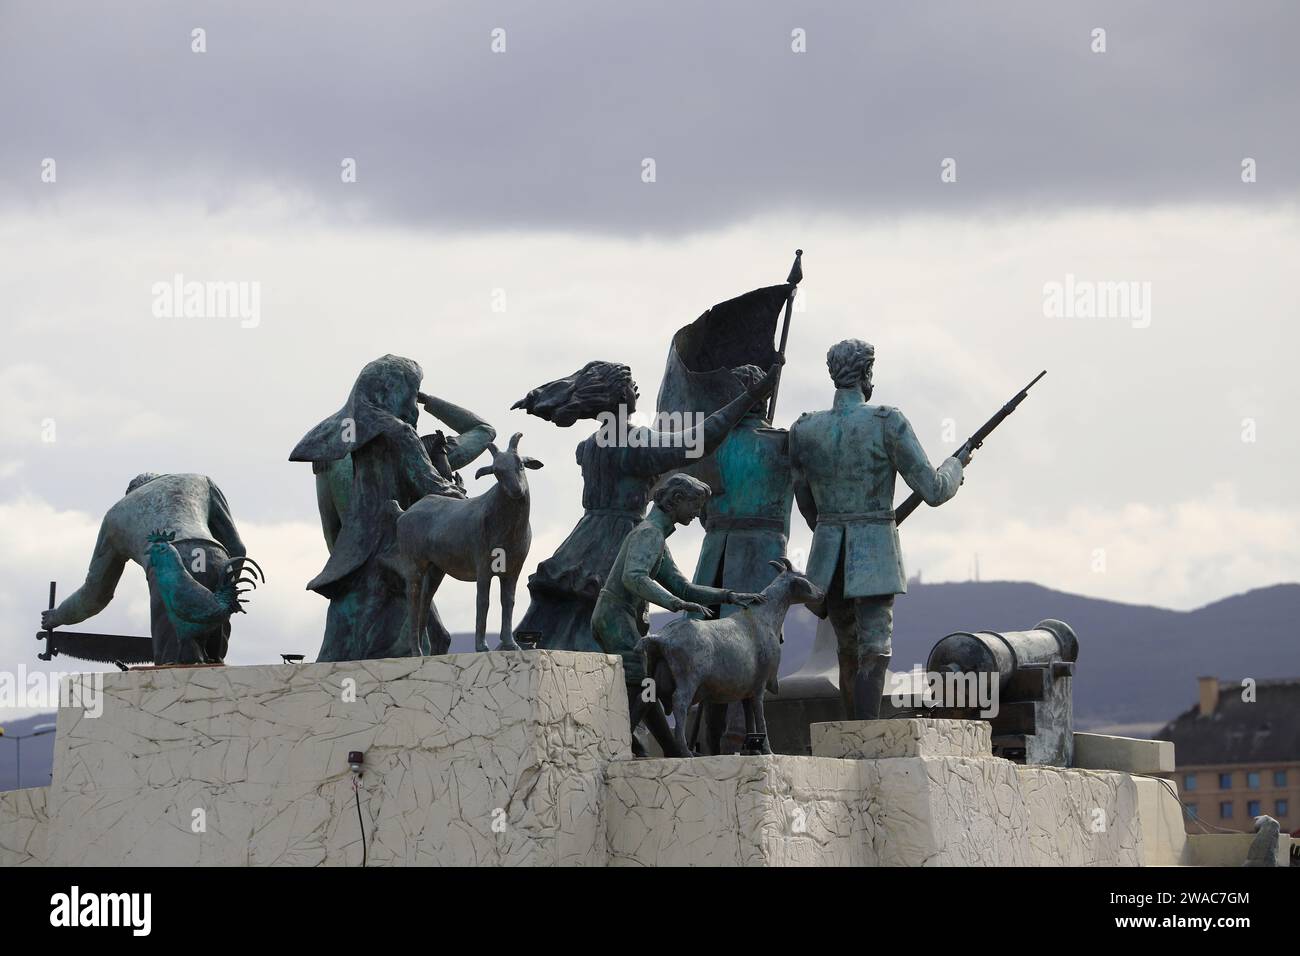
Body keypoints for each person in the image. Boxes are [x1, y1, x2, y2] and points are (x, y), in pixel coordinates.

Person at [512, 358, 781, 654]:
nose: (636, 392)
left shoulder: (589, 445)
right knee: (613, 639)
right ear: (619, 396)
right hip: (620, 538)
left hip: (583, 538)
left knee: (565, 627)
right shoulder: (634, 441)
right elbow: (698, 441)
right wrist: (750, 398)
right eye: (631, 387)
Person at [789, 339, 967, 720]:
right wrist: (956, 465)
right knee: (875, 647)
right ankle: (866, 734)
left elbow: (805, 502)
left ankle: (851, 731)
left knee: (846, 648)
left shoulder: (804, 429)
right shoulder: (887, 422)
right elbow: (934, 490)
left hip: (827, 559)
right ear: (867, 374)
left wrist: (830, 530)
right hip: (873, 555)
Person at [290, 355, 475, 660]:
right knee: (422, 639)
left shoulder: (360, 433)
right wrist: (462, 497)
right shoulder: (401, 434)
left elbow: (331, 525)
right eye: (413, 396)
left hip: (357, 553)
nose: (415, 408)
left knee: (345, 640)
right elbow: (431, 485)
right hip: (395, 548)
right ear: (395, 394)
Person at [593, 473, 764, 756]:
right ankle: (621, 742)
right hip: (614, 616)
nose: (698, 513)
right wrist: (674, 603)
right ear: (676, 500)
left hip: (620, 616)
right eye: (695, 505)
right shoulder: (648, 533)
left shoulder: (657, 536)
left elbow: (683, 586)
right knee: (644, 681)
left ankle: (668, 749)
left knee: (647, 684)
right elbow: (633, 577)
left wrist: (729, 595)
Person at [690, 364, 794, 753]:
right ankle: (745, 739)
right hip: (764, 551)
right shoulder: (783, 442)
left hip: (716, 551)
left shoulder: (712, 445)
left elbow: (701, 509)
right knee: (755, 649)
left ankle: (708, 741)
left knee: (711, 644)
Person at [40, 472, 248, 664]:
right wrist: (223, 592)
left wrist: (58, 616)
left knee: (175, 669)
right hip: (217, 556)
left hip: (168, 561)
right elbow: (236, 548)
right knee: (214, 666)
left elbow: (94, 595)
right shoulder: (199, 481)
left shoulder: (115, 516)